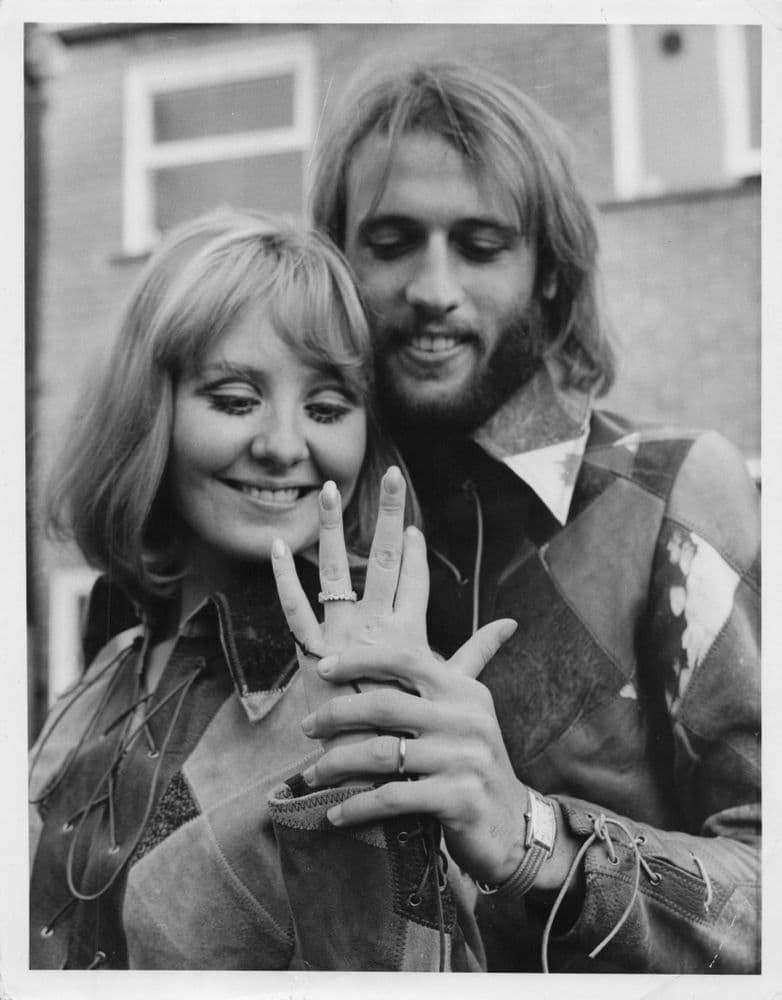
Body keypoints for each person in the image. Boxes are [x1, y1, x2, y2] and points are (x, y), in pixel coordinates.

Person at [275, 58, 761, 973]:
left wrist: (534, 834)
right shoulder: (302, 506)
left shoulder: (667, 493)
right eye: (390, 241)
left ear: (548, 273)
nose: (432, 287)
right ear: (337, 261)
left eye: (482, 245)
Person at [28, 208, 508, 970]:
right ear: (147, 414)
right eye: (235, 399)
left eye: (325, 408)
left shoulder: (364, 699)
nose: (285, 446)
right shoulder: (112, 662)